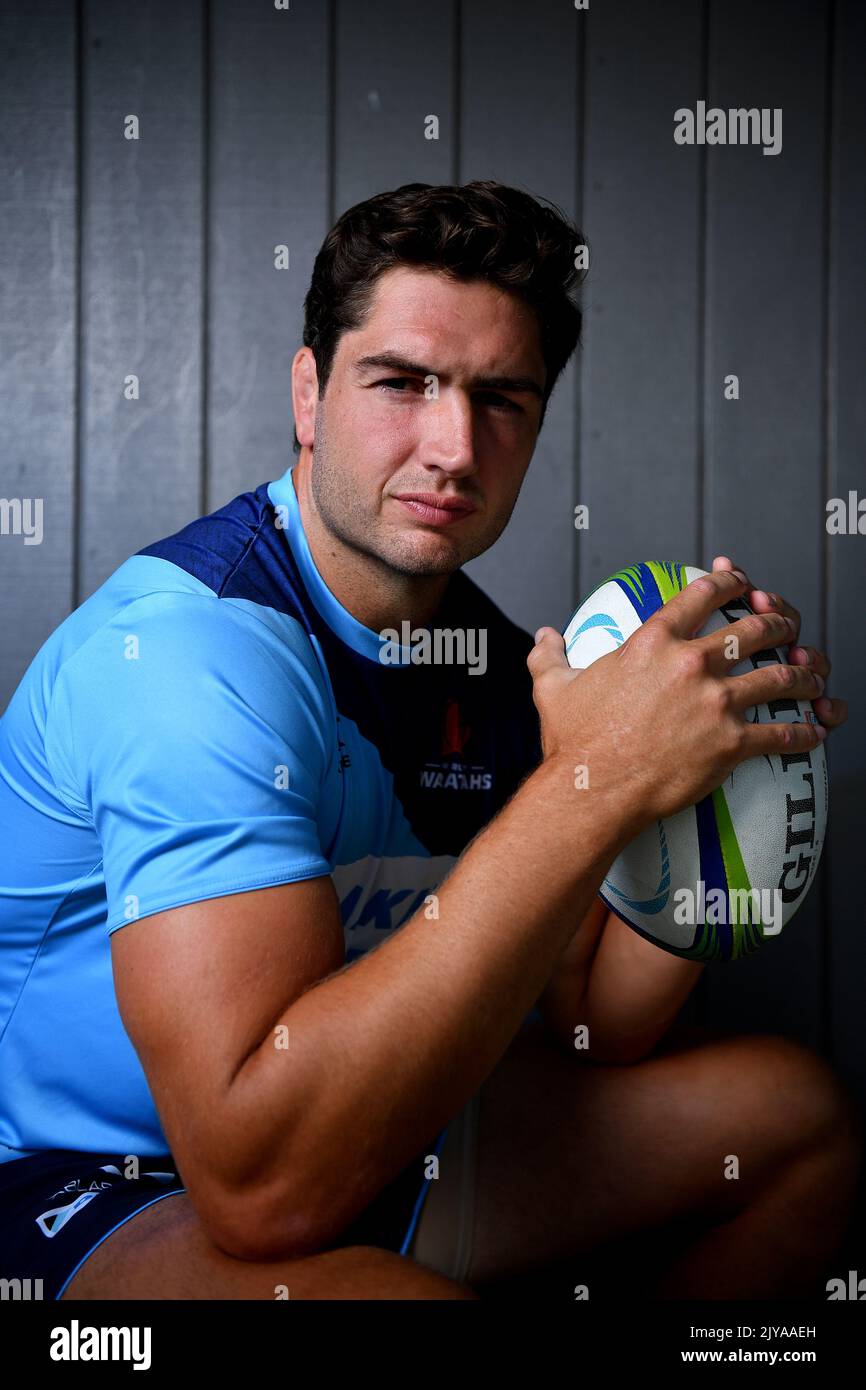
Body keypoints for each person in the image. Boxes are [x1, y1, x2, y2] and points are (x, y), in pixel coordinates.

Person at [0, 181, 859, 1302]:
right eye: (402, 383)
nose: (453, 446)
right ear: (309, 394)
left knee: (794, 1125)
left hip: (373, 1124)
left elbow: (590, 1026)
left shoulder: (490, 665)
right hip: (101, 1186)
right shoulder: (191, 658)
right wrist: (593, 784)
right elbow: (258, 1188)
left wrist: (702, 797)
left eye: (501, 399)